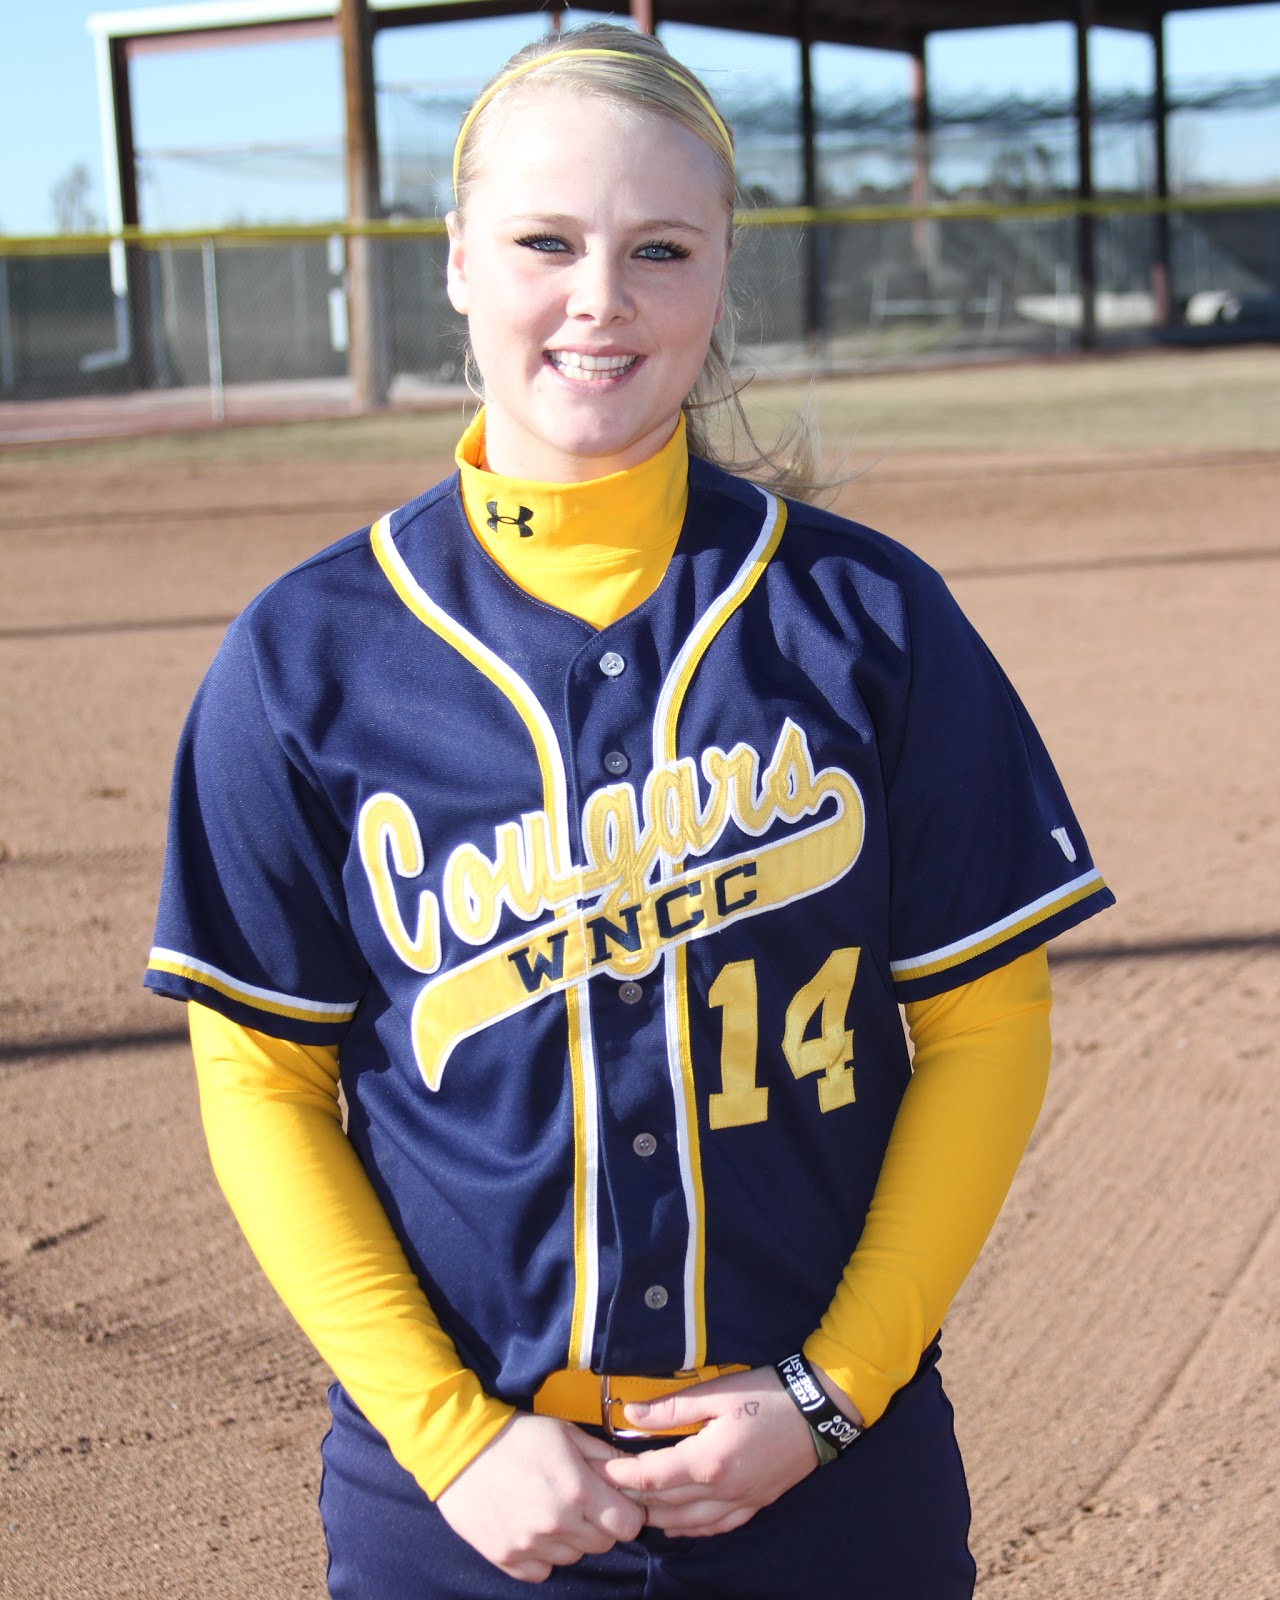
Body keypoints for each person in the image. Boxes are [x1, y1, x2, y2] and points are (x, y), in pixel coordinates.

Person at [146, 23, 1114, 1599]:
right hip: (462, 1514)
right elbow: (261, 1080)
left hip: (829, 1492)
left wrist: (830, 1393)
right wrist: (450, 1438)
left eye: (660, 248)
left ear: (723, 271)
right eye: (545, 242)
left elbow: (988, 1026)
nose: (601, 299)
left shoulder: (865, 620)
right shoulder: (306, 659)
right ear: (456, 260)